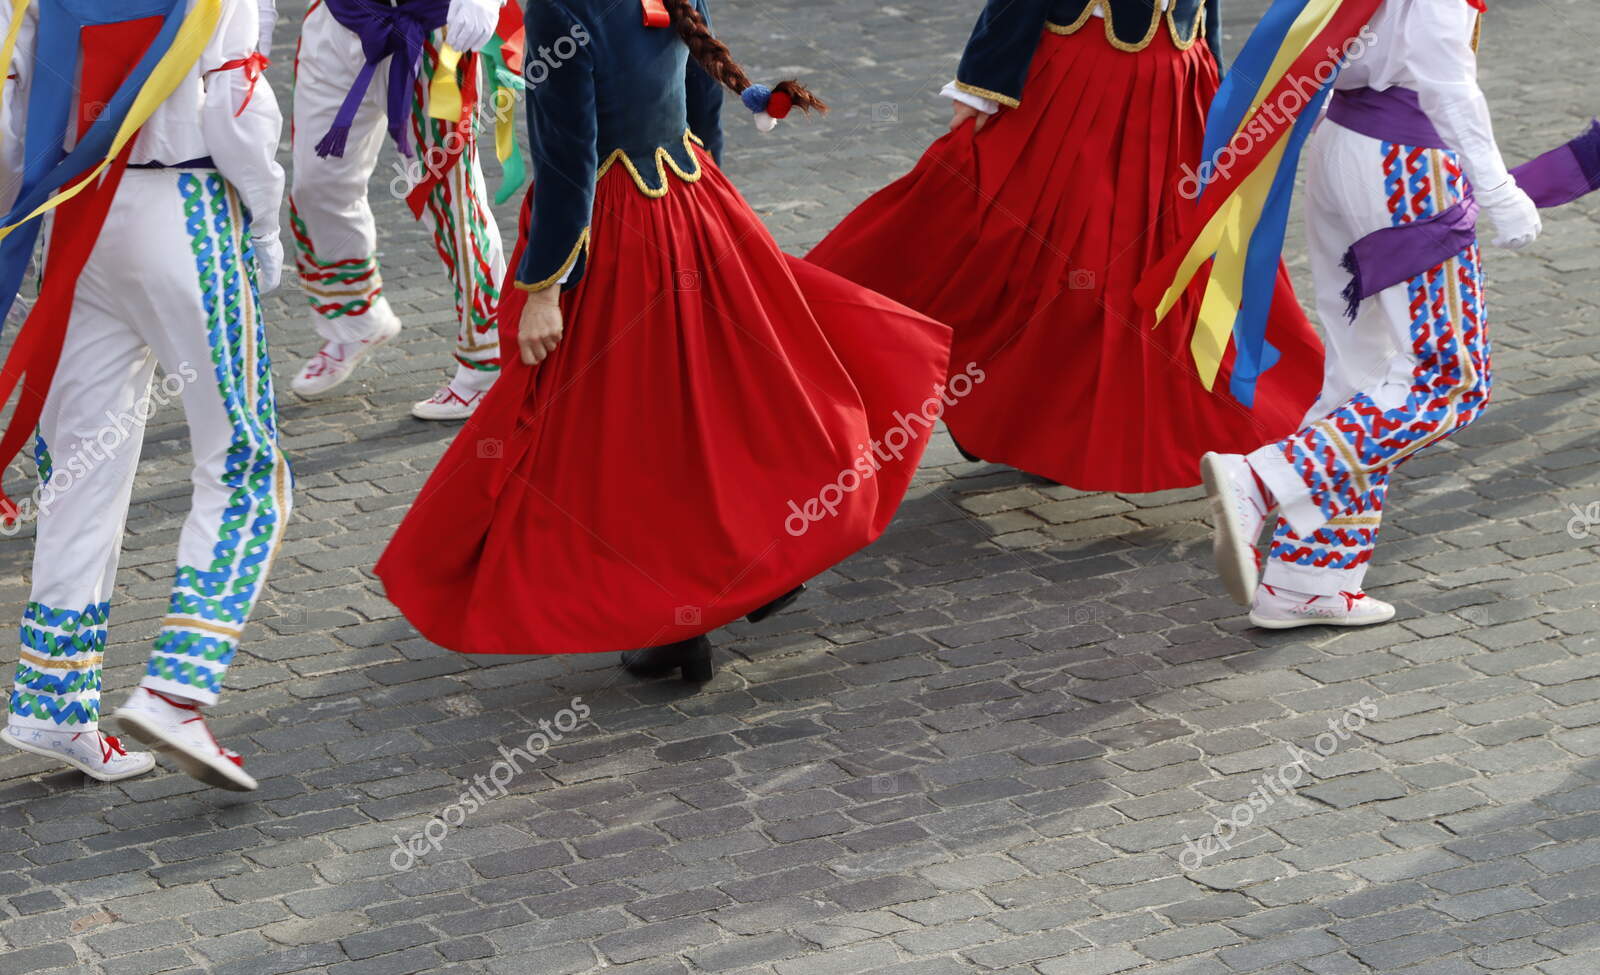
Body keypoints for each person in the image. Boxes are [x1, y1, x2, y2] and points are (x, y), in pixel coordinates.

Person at [375, 0, 953, 683]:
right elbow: (702, 101)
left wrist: (544, 288)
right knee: (720, 397)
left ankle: (676, 616)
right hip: (690, 198)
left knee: (630, 431)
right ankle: (754, 565)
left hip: (618, 232)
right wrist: (709, 198)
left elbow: (568, 162)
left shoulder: (560, 9)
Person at [806, 0, 1326, 492]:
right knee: (1026, 239)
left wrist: (1217, 88)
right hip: (1081, 76)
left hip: (1178, 84)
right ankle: (977, 383)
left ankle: (1040, 422)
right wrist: (983, 85)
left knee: (1145, 269)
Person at [0, 0, 289, 790]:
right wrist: (265, 221)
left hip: (80, 218)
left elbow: (11, 119)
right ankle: (176, 689)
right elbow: (236, 102)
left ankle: (56, 700)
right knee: (245, 463)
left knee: (82, 467)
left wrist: (20, 227)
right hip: (186, 209)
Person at [1192, 0, 1547, 629]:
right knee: (1449, 380)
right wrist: (1498, 189)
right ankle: (1263, 478)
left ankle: (1306, 580)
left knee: (1361, 379)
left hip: (1349, 142)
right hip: (1405, 162)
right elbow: (1443, 78)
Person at [280, 0, 513, 421]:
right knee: (315, 183)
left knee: (452, 202)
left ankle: (488, 360)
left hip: (433, 29)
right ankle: (354, 314)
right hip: (339, 18)